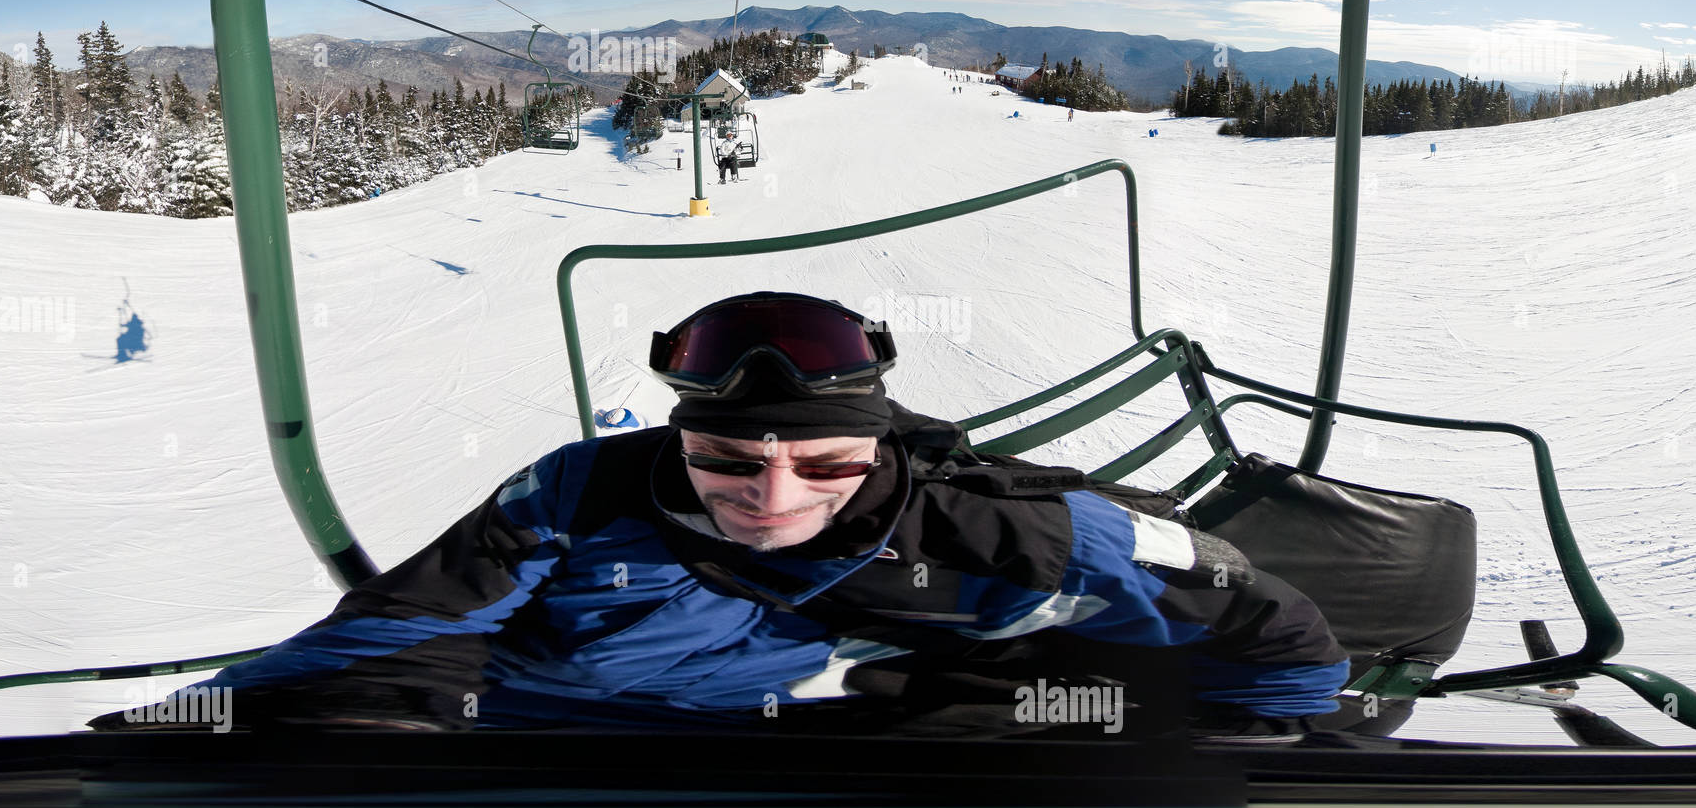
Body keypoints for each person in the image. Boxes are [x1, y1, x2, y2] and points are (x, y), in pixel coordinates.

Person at [103, 292, 1351, 738]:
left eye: (821, 466)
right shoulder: (581, 493)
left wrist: (1269, 751)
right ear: (675, 441)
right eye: (725, 461)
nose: (771, 497)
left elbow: (1268, 626)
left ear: (879, 443)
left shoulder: (1024, 539)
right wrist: (209, 716)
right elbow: (400, 625)